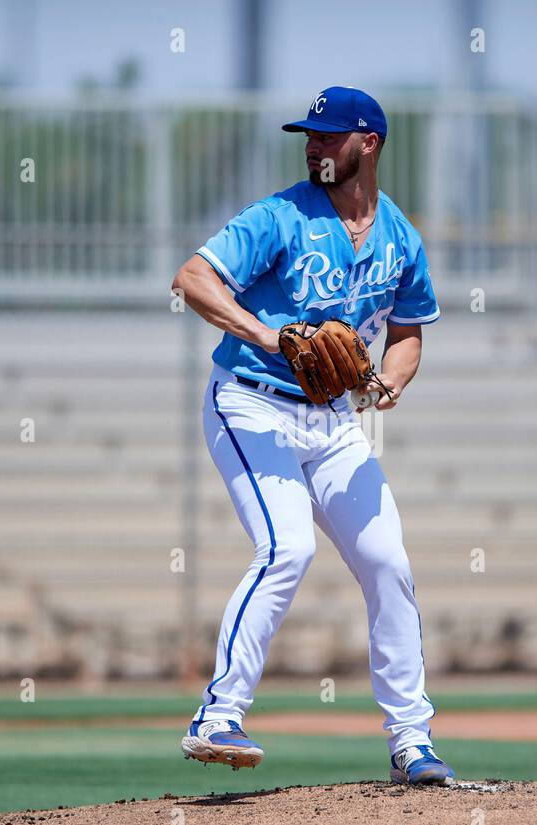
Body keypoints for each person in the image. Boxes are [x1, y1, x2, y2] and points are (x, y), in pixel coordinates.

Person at [171, 87, 452, 785]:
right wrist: (269, 336)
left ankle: (412, 742)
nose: (315, 146)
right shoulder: (280, 216)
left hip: (333, 424)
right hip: (251, 404)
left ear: (370, 144)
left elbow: (409, 335)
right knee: (286, 546)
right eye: (310, 136)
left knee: (388, 561)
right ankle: (217, 717)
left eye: (330, 136)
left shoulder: (400, 237)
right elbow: (192, 279)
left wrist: (389, 382)